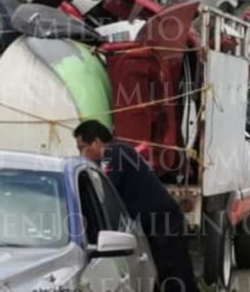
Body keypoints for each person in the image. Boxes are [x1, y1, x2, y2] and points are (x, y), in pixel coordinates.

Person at [75, 120, 199, 292]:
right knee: (171, 276)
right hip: (159, 224)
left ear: (97, 142)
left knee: (174, 277)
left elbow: (103, 193)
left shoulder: (114, 153)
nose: (82, 154)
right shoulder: (119, 151)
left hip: (164, 224)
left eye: (83, 147)